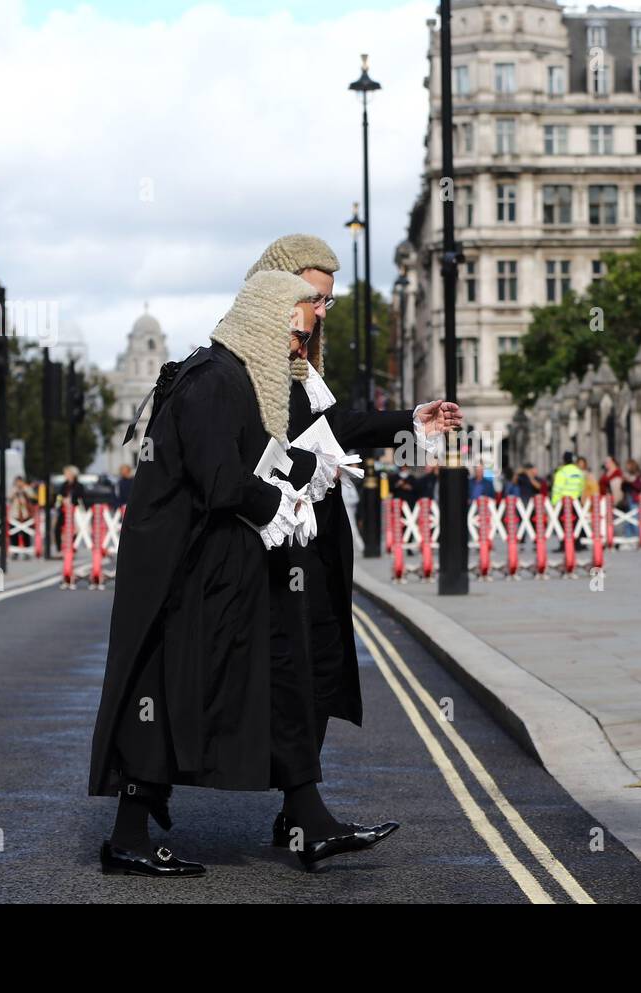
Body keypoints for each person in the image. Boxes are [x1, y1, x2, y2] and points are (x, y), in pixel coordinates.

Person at [90, 270, 328, 877]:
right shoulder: (214, 380)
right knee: (163, 690)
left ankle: (302, 814)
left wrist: (309, 469)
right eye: (295, 337)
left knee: (186, 689)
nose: (300, 350)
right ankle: (128, 838)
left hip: (206, 562)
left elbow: (245, 454)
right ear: (264, 324)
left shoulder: (232, 379)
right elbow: (221, 481)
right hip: (180, 567)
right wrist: (282, 504)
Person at [246, 234, 462, 853]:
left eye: (327, 304)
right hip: (281, 539)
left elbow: (332, 426)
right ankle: (298, 813)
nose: (320, 314)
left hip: (318, 539)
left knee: (319, 664)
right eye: (315, 299)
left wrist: (407, 419)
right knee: (291, 668)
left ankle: (298, 811)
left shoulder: (301, 367)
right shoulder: (252, 361)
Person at [54, 466, 84, 551]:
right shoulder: (64, 485)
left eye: (67, 473)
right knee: (57, 528)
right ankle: (59, 548)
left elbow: (81, 498)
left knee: (75, 530)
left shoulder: (79, 485)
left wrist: (72, 501)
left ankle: (72, 546)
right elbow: (59, 496)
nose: (66, 475)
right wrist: (60, 502)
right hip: (64, 510)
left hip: (75, 511)